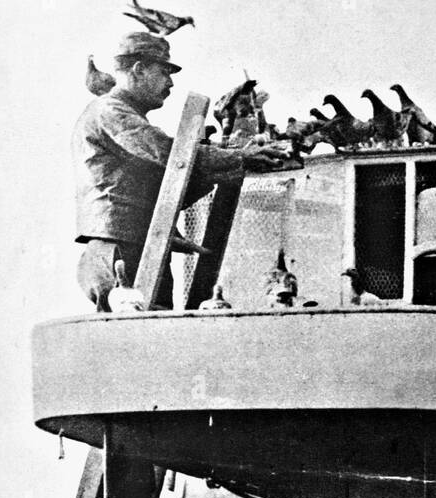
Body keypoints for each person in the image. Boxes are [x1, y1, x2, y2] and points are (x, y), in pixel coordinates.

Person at [73, 32, 288, 311]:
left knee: (154, 329)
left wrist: (230, 165)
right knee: (141, 334)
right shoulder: (110, 112)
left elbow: (170, 182)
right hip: (122, 248)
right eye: (164, 72)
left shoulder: (119, 115)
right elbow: (168, 154)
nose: (171, 82)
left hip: (139, 245)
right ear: (138, 70)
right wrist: (240, 157)